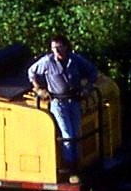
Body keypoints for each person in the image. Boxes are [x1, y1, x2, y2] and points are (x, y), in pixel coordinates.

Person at [27, 35, 98, 172]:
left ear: (66, 46)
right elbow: (31, 72)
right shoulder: (47, 61)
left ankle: (79, 163)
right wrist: (38, 89)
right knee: (68, 134)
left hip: (74, 100)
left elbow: (92, 71)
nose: (57, 51)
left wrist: (88, 87)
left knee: (77, 133)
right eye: (54, 48)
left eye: (59, 47)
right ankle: (70, 166)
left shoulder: (75, 60)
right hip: (58, 102)